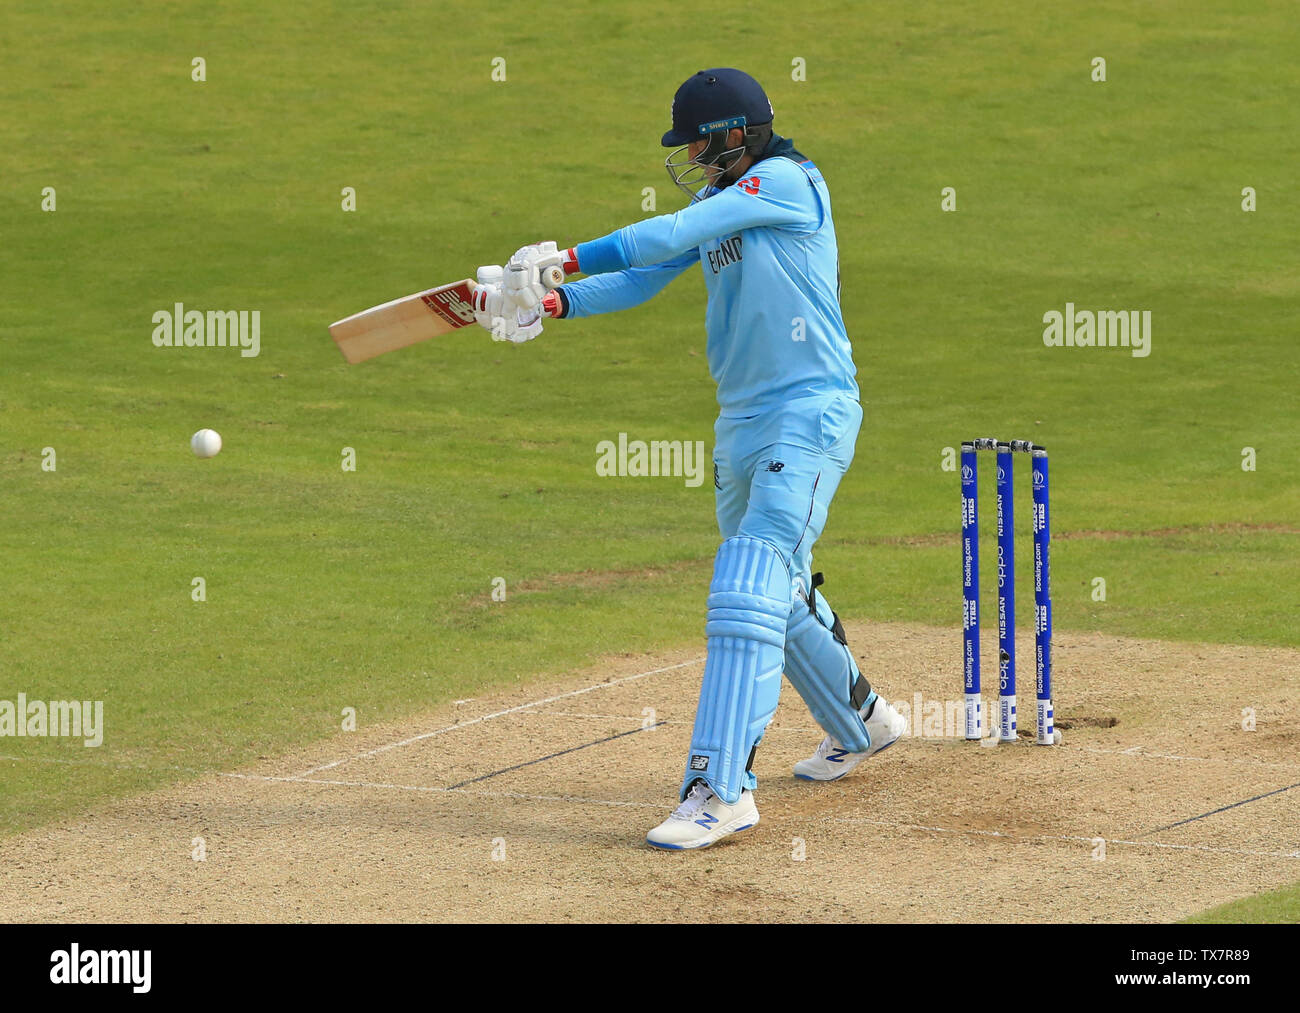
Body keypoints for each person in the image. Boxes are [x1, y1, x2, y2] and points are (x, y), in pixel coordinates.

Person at [474, 68, 908, 851]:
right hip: (740, 421)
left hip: (807, 412)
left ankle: (720, 788)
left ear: (739, 131)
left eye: (702, 141)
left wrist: (565, 257)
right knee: (771, 583)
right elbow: (645, 275)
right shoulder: (719, 203)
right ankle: (862, 720)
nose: (695, 157)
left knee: (748, 576)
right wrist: (548, 303)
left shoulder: (787, 181)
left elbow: (663, 235)